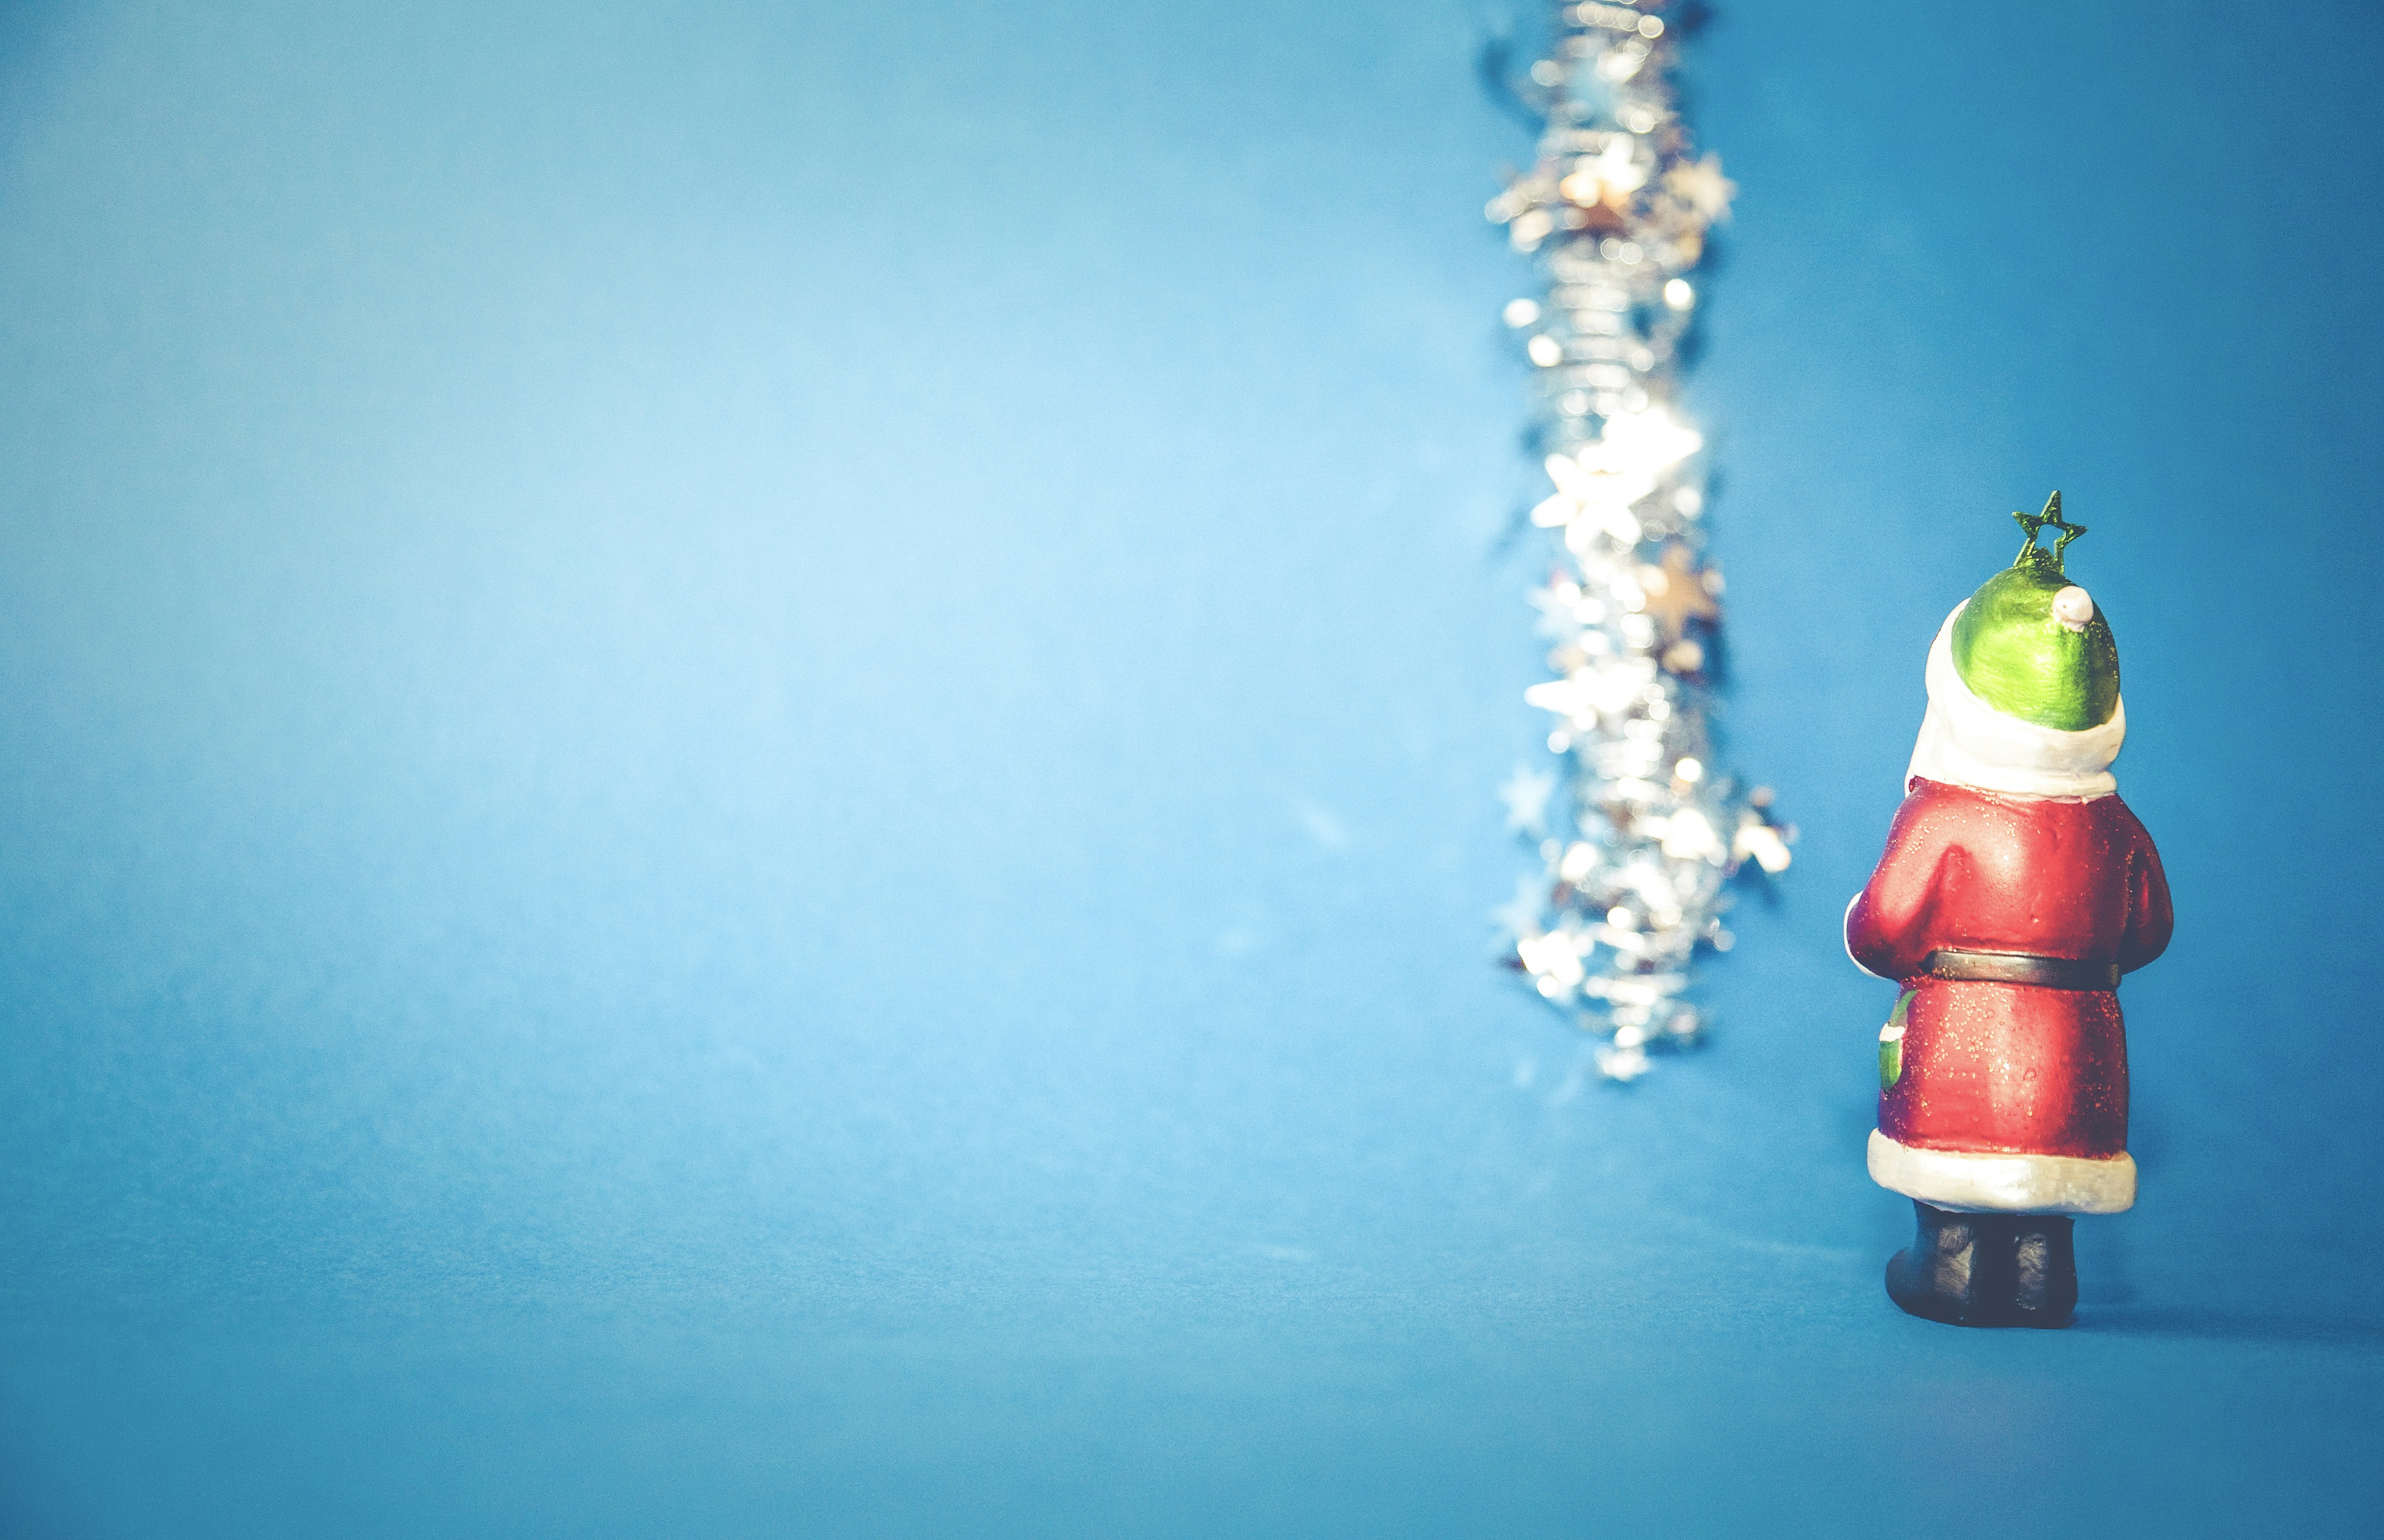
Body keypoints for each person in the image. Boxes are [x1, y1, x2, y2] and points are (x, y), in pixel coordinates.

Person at [1845, 495, 2172, 1327]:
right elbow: (2149, 928)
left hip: (1964, 1021)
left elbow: (1886, 920)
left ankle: (1947, 1270)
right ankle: (2039, 1279)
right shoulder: (2114, 822)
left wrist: (1860, 929)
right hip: (2081, 1030)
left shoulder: (1945, 815)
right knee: (2050, 1173)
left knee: (1954, 1164)